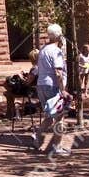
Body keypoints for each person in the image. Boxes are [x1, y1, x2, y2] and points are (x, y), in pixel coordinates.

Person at [31, 24, 71, 158]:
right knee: (60, 117)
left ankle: (37, 140)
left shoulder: (43, 50)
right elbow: (58, 73)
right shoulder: (56, 51)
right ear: (59, 36)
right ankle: (56, 147)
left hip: (41, 84)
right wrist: (63, 90)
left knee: (48, 116)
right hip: (52, 86)